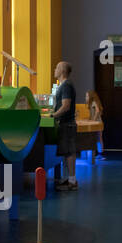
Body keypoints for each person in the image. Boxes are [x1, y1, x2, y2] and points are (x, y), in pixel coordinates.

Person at [50, 61, 78, 190]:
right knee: (67, 152)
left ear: (62, 70)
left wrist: (54, 115)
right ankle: (70, 178)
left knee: (70, 152)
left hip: (67, 123)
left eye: (57, 67)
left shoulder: (66, 86)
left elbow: (66, 105)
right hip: (66, 123)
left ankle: (72, 182)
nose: (54, 69)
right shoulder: (64, 85)